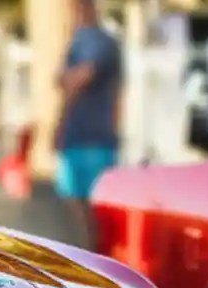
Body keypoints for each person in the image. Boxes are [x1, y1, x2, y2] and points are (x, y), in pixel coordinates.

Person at [55, 0, 122, 246]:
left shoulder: (101, 42)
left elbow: (78, 78)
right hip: (75, 134)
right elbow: (60, 80)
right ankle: (90, 254)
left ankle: (97, 257)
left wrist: (68, 79)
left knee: (96, 211)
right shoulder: (76, 42)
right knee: (76, 203)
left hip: (96, 137)